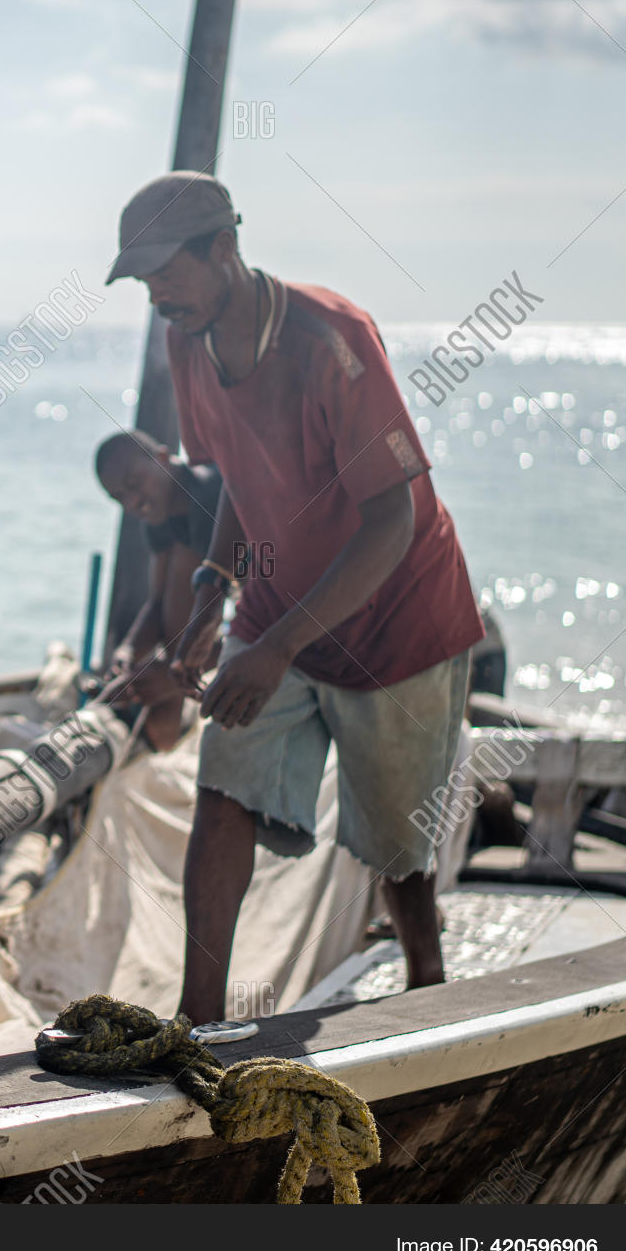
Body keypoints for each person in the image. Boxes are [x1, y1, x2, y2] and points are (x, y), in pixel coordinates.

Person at [104, 172, 483, 1025]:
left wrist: (271, 649)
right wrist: (212, 595)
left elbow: (395, 518)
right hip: (275, 602)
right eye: (143, 279)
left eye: (167, 269)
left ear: (225, 249)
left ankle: (427, 985)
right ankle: (198, 1023)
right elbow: (238, 475)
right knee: (223, 791)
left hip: (398, 614)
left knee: (394, 839)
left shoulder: (333, 338)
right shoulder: (186, 337)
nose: (156, 292)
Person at [94, 429, 222, 752]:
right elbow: (157, 601)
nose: (133, 503)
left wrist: (174, 675)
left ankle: (161, 731)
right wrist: (127, 651)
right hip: (210, 634)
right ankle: (160, 738)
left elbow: (263, 621)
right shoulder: (158, 518)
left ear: (164, 459)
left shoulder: (211, 497)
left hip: (299, 616)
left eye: (135, 484)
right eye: (120, 498)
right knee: (172, 606)